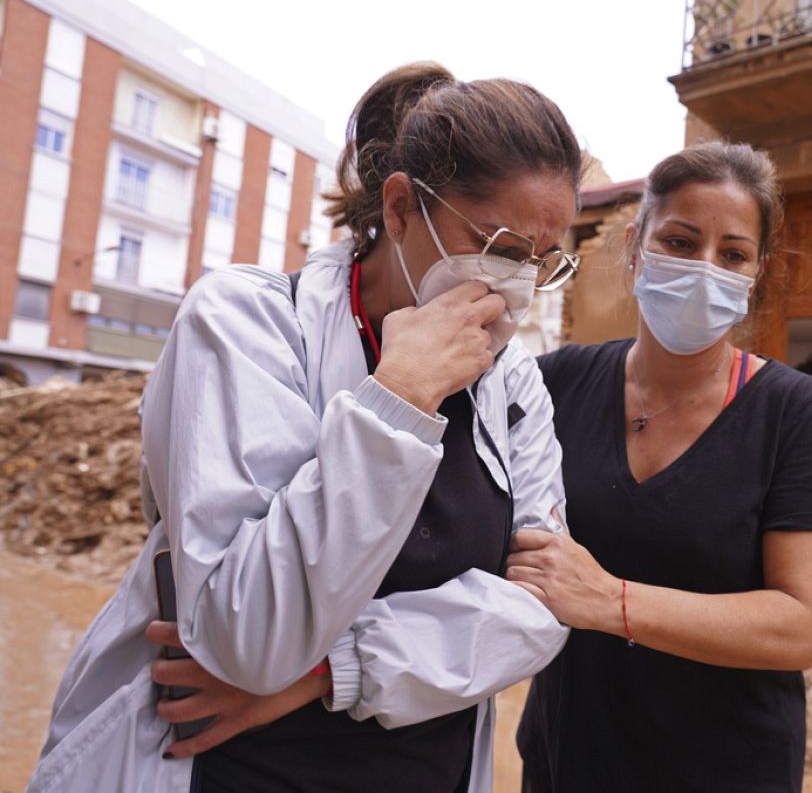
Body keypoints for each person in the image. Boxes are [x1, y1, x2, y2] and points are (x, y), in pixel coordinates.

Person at [28, 62, 583, 793]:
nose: (518, 285)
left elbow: (541, 609)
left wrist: (330, 671)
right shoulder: (245, 324)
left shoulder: (514, 384)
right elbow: (247, 636)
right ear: (400, 209)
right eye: (503, 247)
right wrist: (402, 397)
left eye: (545, 263)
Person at [509, 142, 812, 792]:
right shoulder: (552, 385)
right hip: (566, 758)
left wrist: (612, 601)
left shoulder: (791, 412)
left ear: (757, 271)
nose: (704, 269)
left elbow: (799, 626)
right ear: (635, 247)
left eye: (733, 254)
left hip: (723, 768)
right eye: (681, 241)